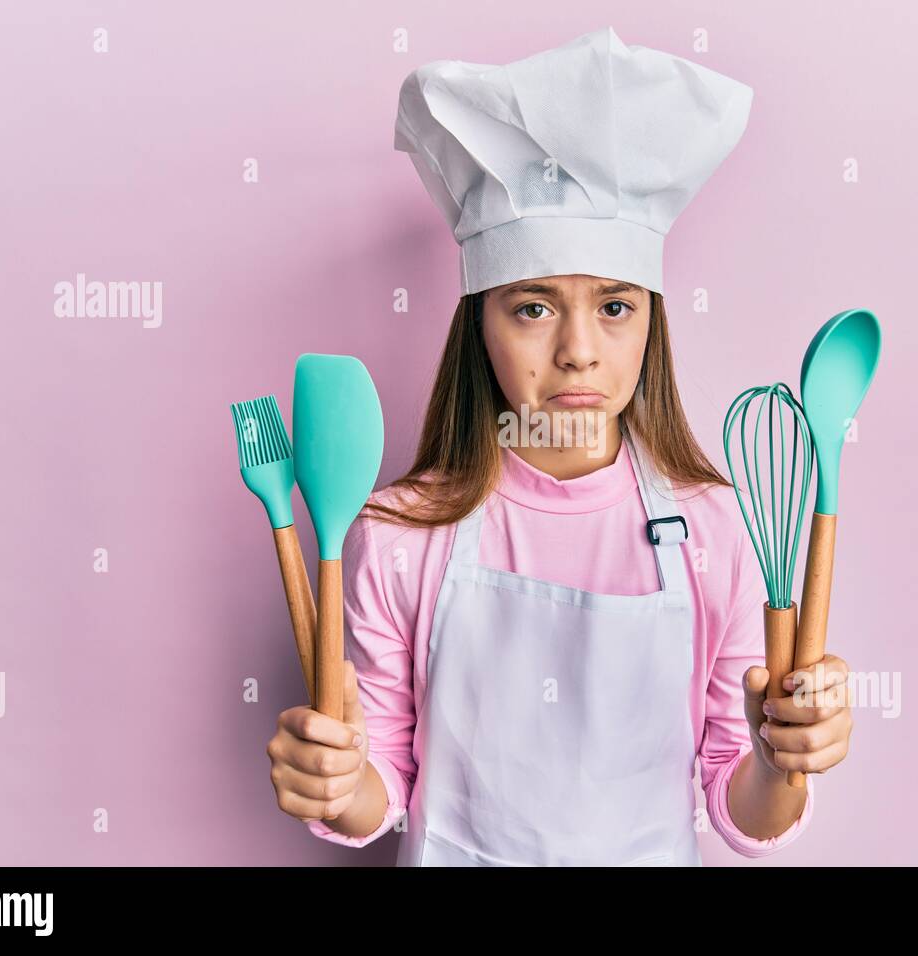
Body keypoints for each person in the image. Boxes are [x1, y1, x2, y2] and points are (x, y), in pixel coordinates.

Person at [266, 26, 853, 866]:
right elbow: (381, 789)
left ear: (651, 324)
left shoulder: (722, 529)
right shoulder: (398, 534)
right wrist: (334, 781)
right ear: (482, 327)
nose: (579, 350)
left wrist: (779, 757)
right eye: (533, 307)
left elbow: (744, 808)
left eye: (615, 307)